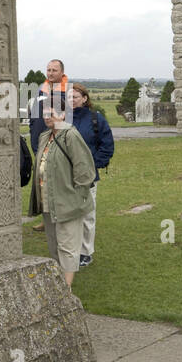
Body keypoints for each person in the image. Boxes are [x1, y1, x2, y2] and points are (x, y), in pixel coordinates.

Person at [29, 94, 96, 288]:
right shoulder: (44, 136)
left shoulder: (70, 135)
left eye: (52, 112)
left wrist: (75, 195)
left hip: (68, 202)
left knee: (68, 247)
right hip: (48, 201)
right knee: (54, 245)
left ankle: (65, 291)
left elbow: (85, 171)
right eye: (45, 112)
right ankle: (58, 285)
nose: (47, 116)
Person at [68, 83, 115, 267]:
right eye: (69, 97)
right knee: (69, 214)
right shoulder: (63, 119)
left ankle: (85, 252)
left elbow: (107, 145)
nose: (72, 101)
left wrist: (92, 165)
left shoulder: (96, 119)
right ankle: (70, 249)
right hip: (65, 175)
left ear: (85, 99)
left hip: (88, 176)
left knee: (87, 214)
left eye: (75, 97)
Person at [28, 58, 69, 151]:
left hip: (60, 146)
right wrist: (33, 133)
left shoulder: (70, 93)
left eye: (54, 70)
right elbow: (33, 117)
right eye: (48, 70)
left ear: (62, 72)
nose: (50, 73)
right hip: (39, 145)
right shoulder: (40, 91)